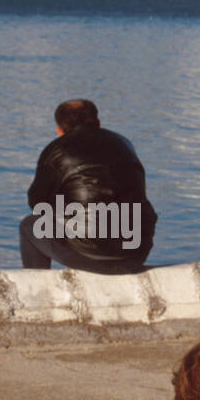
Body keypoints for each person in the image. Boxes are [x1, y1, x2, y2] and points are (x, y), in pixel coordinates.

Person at [20, 99, 157, 273]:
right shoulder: (124, 144)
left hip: (92, 258)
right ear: (98, 123)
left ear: (59, 130)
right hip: (136, 253)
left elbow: (37, 204)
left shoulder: (56, 150)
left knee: (30, 226)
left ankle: (38, 290)